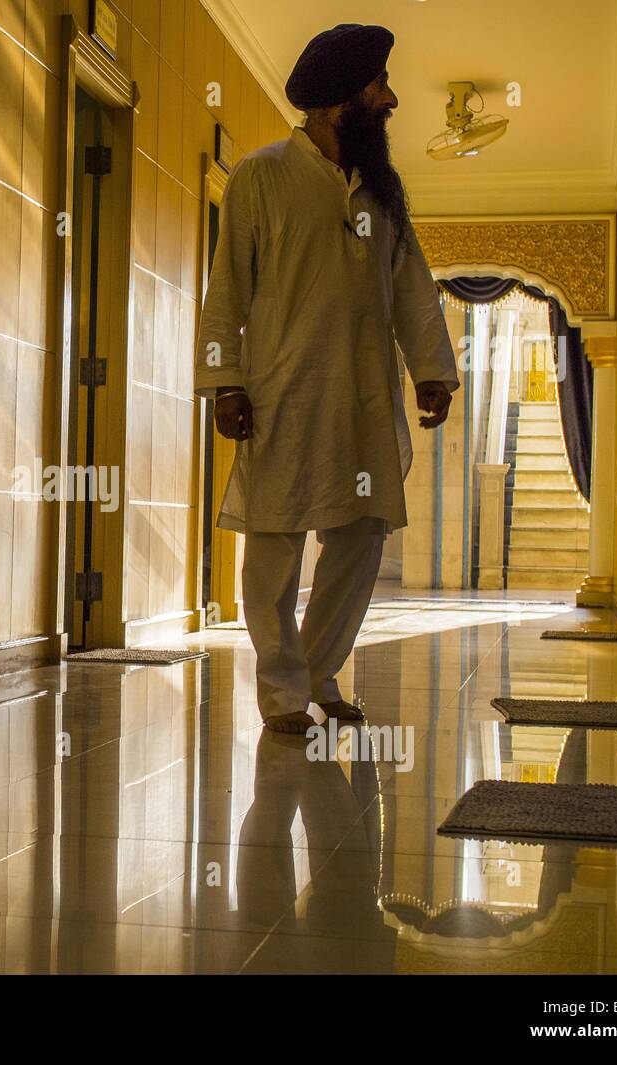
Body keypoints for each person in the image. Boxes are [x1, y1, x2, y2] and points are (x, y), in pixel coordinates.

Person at [195, 23, 459, 734]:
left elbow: (412, 288)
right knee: (275, 543)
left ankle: (318, 670)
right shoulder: (261, 176)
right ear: (342, 98)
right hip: (283, 393)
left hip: (363, 399)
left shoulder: (381, 191)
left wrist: (430, 370)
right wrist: (227, 382)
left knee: (362, 535)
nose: (392, 99)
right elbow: (228, 289)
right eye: (380, 86)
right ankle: (283, 695)